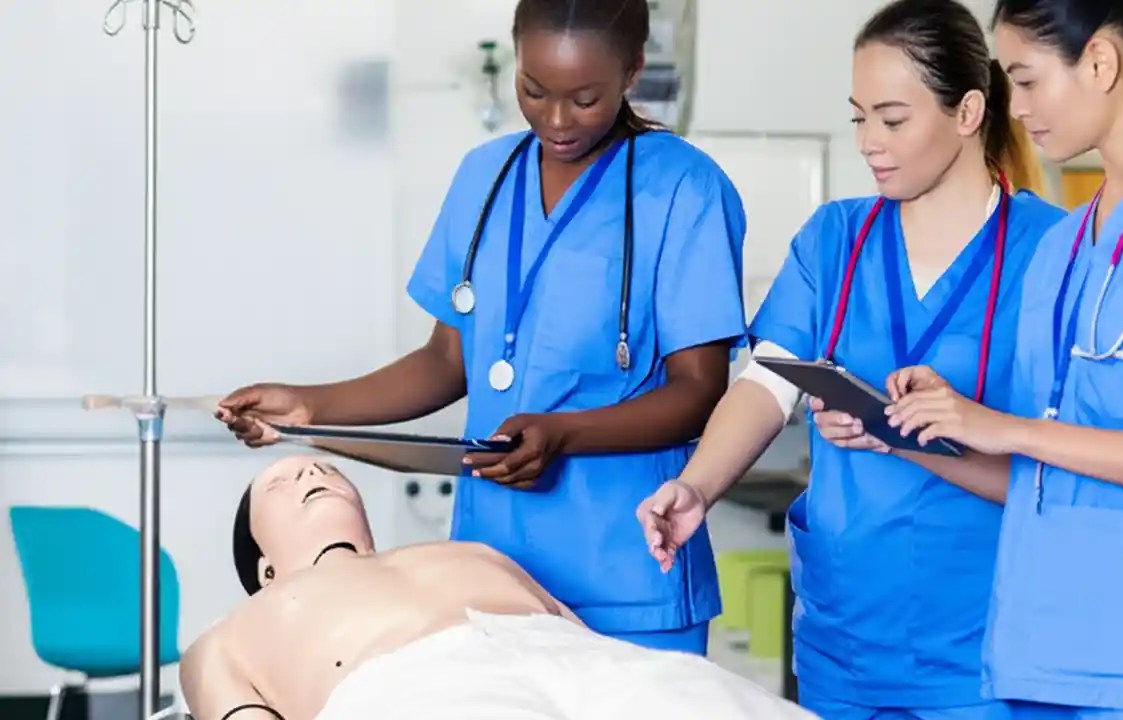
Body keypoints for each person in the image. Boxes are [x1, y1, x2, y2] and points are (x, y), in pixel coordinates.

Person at [213, 0, 746, 656]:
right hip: (490, 572)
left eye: (584, 98)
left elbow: (699, 392)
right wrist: (309, 406)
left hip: (631, 571)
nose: (555, 120)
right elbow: (447, 361)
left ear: (632, 70)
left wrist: (564, 433)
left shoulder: (685, 189)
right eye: (533, 90)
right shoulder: (484, 178)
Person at [637, 1, 1065, 718]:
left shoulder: (1051, 251)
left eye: (892, 119)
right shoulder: (836, 238)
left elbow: (1062, 468)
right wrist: (697, 489)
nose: (870, 141)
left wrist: (900, 435)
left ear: (966, 113)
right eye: (858, 117)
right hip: (846, 640)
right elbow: (767, 385)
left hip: (989, 644)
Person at [880, 1, 1123, 719]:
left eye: (1028, 81)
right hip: (1045, 655)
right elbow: (1045, 479)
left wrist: (1008, 426)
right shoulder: (1062, 249)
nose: (1017, 108)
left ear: (1100, 63)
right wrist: (912, 434)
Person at [180, 455, 816, 720]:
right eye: (282, 483)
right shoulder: (235, 634)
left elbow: (574, 631)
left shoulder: (468, 554)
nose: (311, 471)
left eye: (320, 466)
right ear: (265, 571)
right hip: (418, 690)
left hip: (586, 662)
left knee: (713, 703)